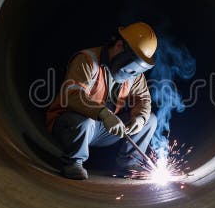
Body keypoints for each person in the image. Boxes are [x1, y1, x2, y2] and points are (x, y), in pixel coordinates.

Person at [47, 22, 158, 180]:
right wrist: (103, 113)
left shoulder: (135, 75)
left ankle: (129, 164)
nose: (129, 74)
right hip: (71, 125)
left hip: (104, 129)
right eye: (128, 68)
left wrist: (140, 118)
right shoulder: (87, 60)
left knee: (150, 120)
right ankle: (73, 163)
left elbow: (143, 99)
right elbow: (72, 95)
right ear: (119, 45)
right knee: (85, 121)